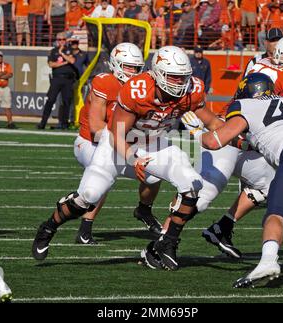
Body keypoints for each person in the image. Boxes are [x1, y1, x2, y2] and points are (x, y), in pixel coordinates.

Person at [32, 46, 224, 270]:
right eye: (174, 77)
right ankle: (49, 227)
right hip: (115, 146)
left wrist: (241, 134)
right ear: (159, 73)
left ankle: (168, 243)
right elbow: (115, 134)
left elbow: (213, 123)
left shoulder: (192, 90)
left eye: (183, 77)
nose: (180, 82)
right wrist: (133, 159)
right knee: (88, 196)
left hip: (153, 143)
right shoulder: (137, 89)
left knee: (192, 183)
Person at [201, 72, 283, 287]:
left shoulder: (245, 106)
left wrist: (198, 132)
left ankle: (268, 261)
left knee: (276, 216)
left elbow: (215, 141)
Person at [74, 42, 162, 244]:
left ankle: (144, 210)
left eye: (136, 68)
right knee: (104, 174)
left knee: (155, 173)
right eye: (128, 66)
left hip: (119, 140)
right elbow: (96, 127)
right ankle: (85, 228)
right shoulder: (104, 82)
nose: (132, 72)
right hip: (90, 142)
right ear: (115, 64)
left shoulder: (141, 87)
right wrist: (123, 143)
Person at [37, 32, 76, 130]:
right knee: (50, 100)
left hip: (68, 79)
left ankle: (64, 123)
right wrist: (64, 63)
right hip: (57, 78)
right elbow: (51, 64)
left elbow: (72, 61)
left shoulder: (69, 50)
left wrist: (62, 53)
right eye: (60, 40)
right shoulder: (53, 51)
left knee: (66, 101)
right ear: (57, 41)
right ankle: (43, 122)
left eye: (63, 39)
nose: (62, 41)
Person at [0, 50, 17, 129]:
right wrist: (4, 73)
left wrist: (0, 75)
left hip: (5, 87)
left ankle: (10, 123)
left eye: (0, 56)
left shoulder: (7, 65)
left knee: (7, 106)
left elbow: (10, 74)